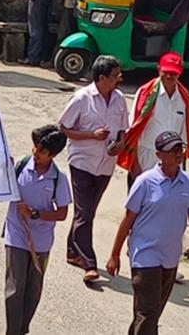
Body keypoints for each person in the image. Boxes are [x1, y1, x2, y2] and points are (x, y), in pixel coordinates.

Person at [106, 132, 189, 335]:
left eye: (179, 149)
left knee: (149, 313)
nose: (178, 154)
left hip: (170, 258)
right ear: (158, 155)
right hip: (144, 255)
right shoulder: (145, 182)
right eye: (172, 150)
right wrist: (114, 254)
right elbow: (128, 219)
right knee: (148, 312)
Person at [58, 54, 128, 283]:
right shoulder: (82, 98)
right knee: (85, 213)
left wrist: (120, 145)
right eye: (115, 75)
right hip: (82, 162)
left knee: (86, 212)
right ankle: (89, 263)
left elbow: (123, 131)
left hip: (106, 165)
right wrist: (91, 135)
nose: (120, 78)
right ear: (101, 78)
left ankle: (72, 252)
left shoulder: (119, 99)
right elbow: (64, 127)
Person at [4, 125, 72, 335]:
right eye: (35, 148)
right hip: (15, 235)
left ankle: (23, 328)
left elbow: (62, 213)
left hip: (41, 243)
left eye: (41, 152)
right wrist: (4, 168)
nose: (35, 153)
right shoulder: (21, 166)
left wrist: (35, 214)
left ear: (53, 155)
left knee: (32, 290)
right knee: (15, 289)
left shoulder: (59, 180)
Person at [118, 52, 189, 187]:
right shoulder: (145, 93)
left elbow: (184, 134)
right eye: (166, 72)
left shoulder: (183, 98)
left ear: (180, 73)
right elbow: (132, 130)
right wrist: (134, 164)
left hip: (172, 162)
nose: (170, 76)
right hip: (146, 158)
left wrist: (182, 164)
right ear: (159, 69)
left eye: (174, 73)